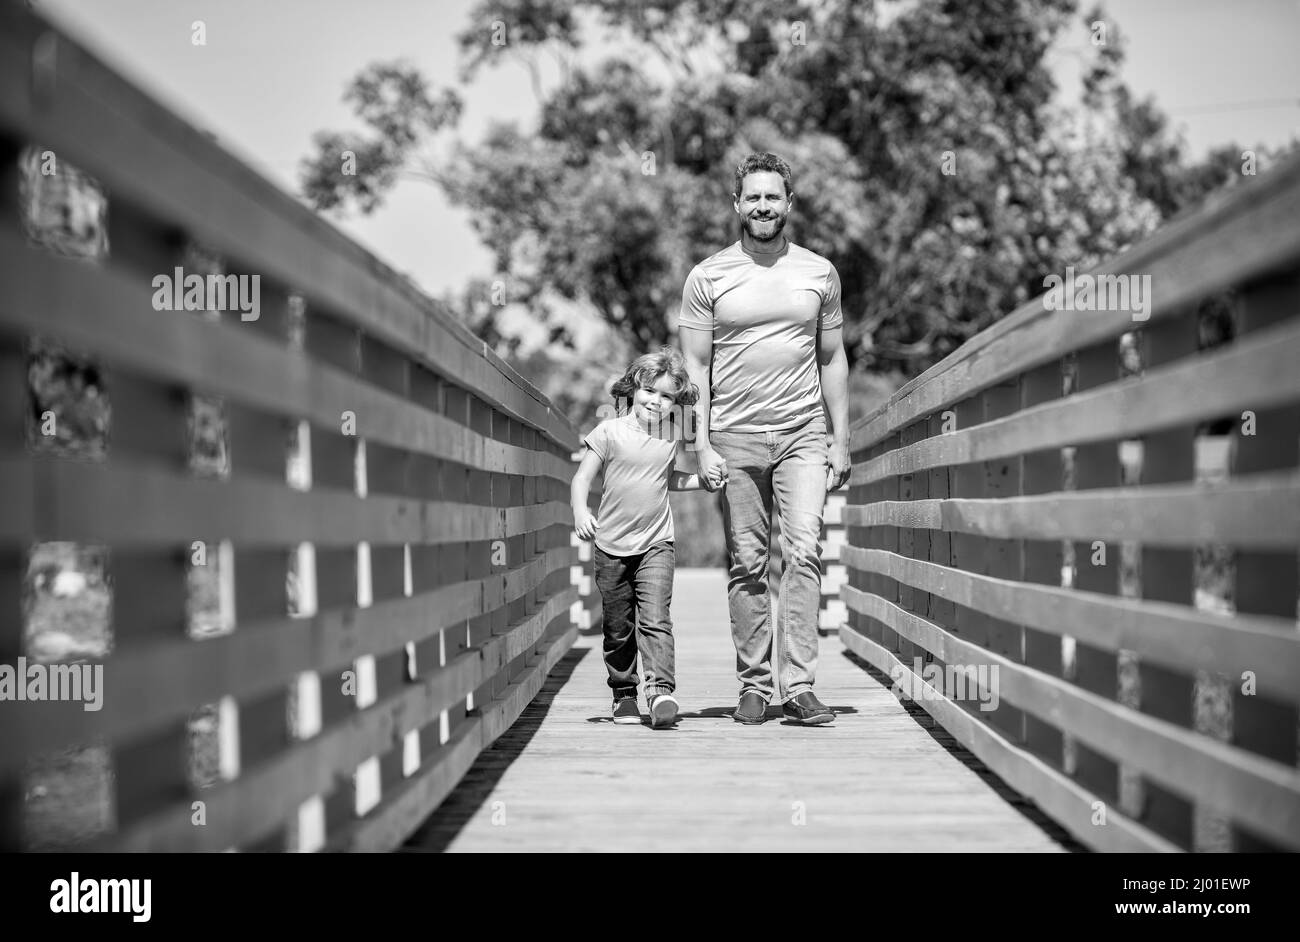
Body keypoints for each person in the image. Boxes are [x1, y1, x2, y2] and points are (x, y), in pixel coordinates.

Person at [679, 152, 852, 726]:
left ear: (789, 203)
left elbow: (832, 357)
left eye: (772, 197)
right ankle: (754, 684)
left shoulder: (819, 273)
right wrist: (700, 444)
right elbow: (694, 368)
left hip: (803, 432)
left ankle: (798, 685)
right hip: (734, 436)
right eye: (752, 197)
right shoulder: (708, 277)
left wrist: (840, 439)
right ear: (737, 204)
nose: (762, 206)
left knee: (803, 550)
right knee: (748, 561)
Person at [571, 348, 723, 729]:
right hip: (610, 546)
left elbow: (666, 479)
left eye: (667, 395)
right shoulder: (609, 431)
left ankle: (660, 694)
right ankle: (624, 695)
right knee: (618, 627)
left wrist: (699, 482)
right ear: (633, 389)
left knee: (655, 619)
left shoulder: (671, 434)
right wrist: (580, 512)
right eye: (650, 392)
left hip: (657, 542)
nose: (657, 402)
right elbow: (582, 479)